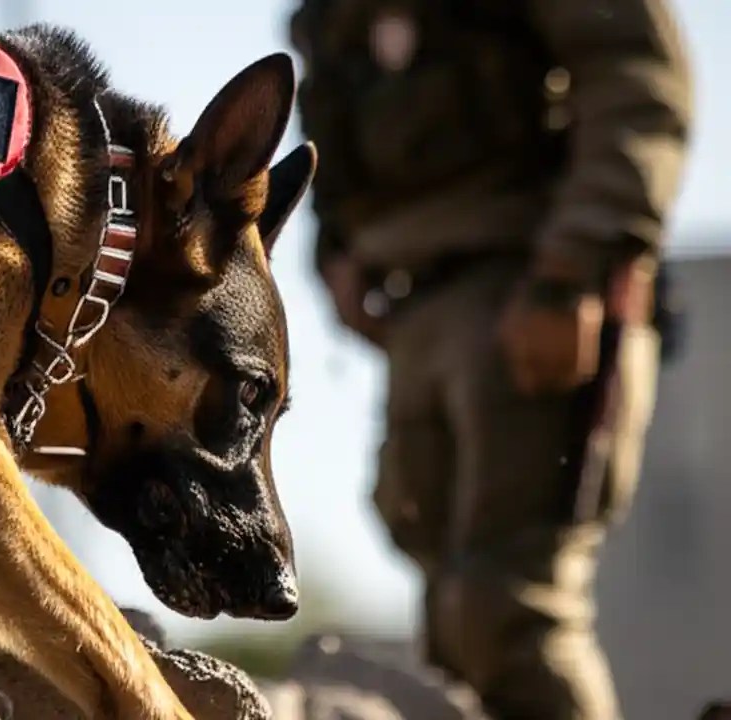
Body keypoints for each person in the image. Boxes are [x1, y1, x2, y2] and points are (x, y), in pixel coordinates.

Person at [288, 1, 694, 718]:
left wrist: (572, 269)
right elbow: (331, 111)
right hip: (417, 303)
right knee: (451, 626)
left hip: (528, 292)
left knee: (507, 613)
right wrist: (336, 251)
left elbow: (637, 83)